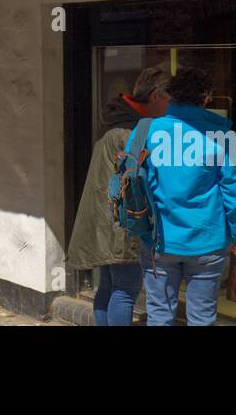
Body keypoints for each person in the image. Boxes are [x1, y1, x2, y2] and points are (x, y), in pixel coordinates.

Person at [136, 66, 236, 327]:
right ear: (206, 96)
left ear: (172, 95)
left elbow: (131, 180)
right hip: (206, 241)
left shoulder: (146, 131)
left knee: (159, 315)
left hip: (158, 239)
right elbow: (234, 195)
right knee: (202, 317)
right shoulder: (220, 135)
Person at [66, 64, 171, 325]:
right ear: (156, 96)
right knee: (125, 290)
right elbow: (143, 179)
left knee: (109, 286)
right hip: (122, 223)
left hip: (103, 219)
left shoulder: (116, 123)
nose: (171, 107)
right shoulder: (135, 131)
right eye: (170, 99)